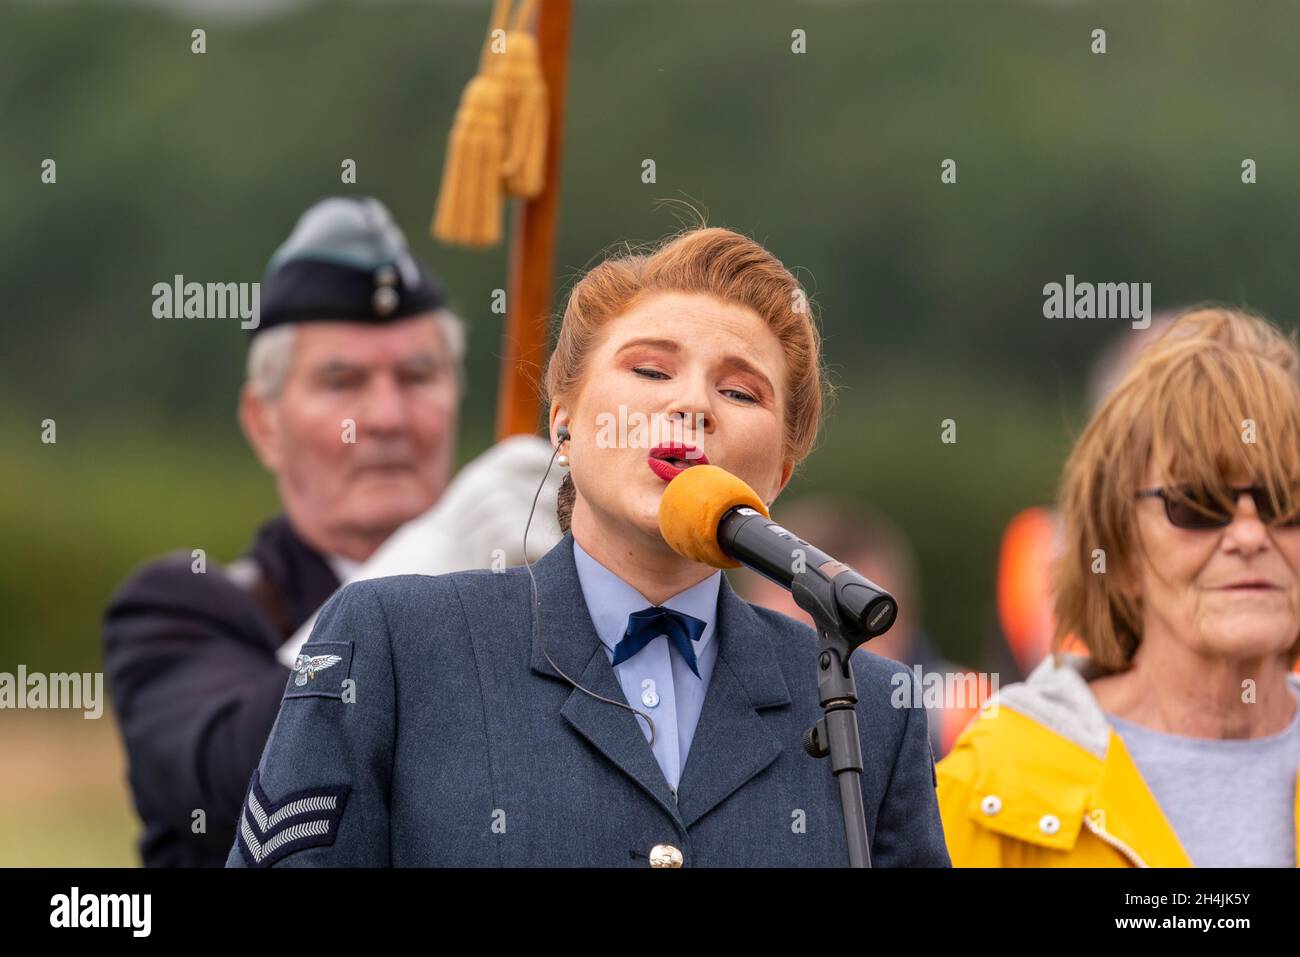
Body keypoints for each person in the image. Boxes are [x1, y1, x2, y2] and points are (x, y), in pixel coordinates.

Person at [225, 226, 951, 867]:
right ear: (563, 421)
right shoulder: (396, 644)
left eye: (740, 392)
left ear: (781, 470)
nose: (691, 403)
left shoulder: (874, 711)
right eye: (650, 370)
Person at [103, 196, 560, 867]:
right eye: (341, 381)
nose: (385, 416)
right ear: (264, 422)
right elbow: (240, 791)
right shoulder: (180, 607)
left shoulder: (529, 608)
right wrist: (434, 553)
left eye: (417, 376)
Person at [938, 306, 1300, 867]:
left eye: (1286, 502)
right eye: (1198, 503)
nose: (1250, 534)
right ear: (1121, 551)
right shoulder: (985, 790)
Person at [736, 496, 978, 757]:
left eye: (856, 631)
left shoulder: (961, 713)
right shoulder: (724, 716)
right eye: (799, 631)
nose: (827, 657)